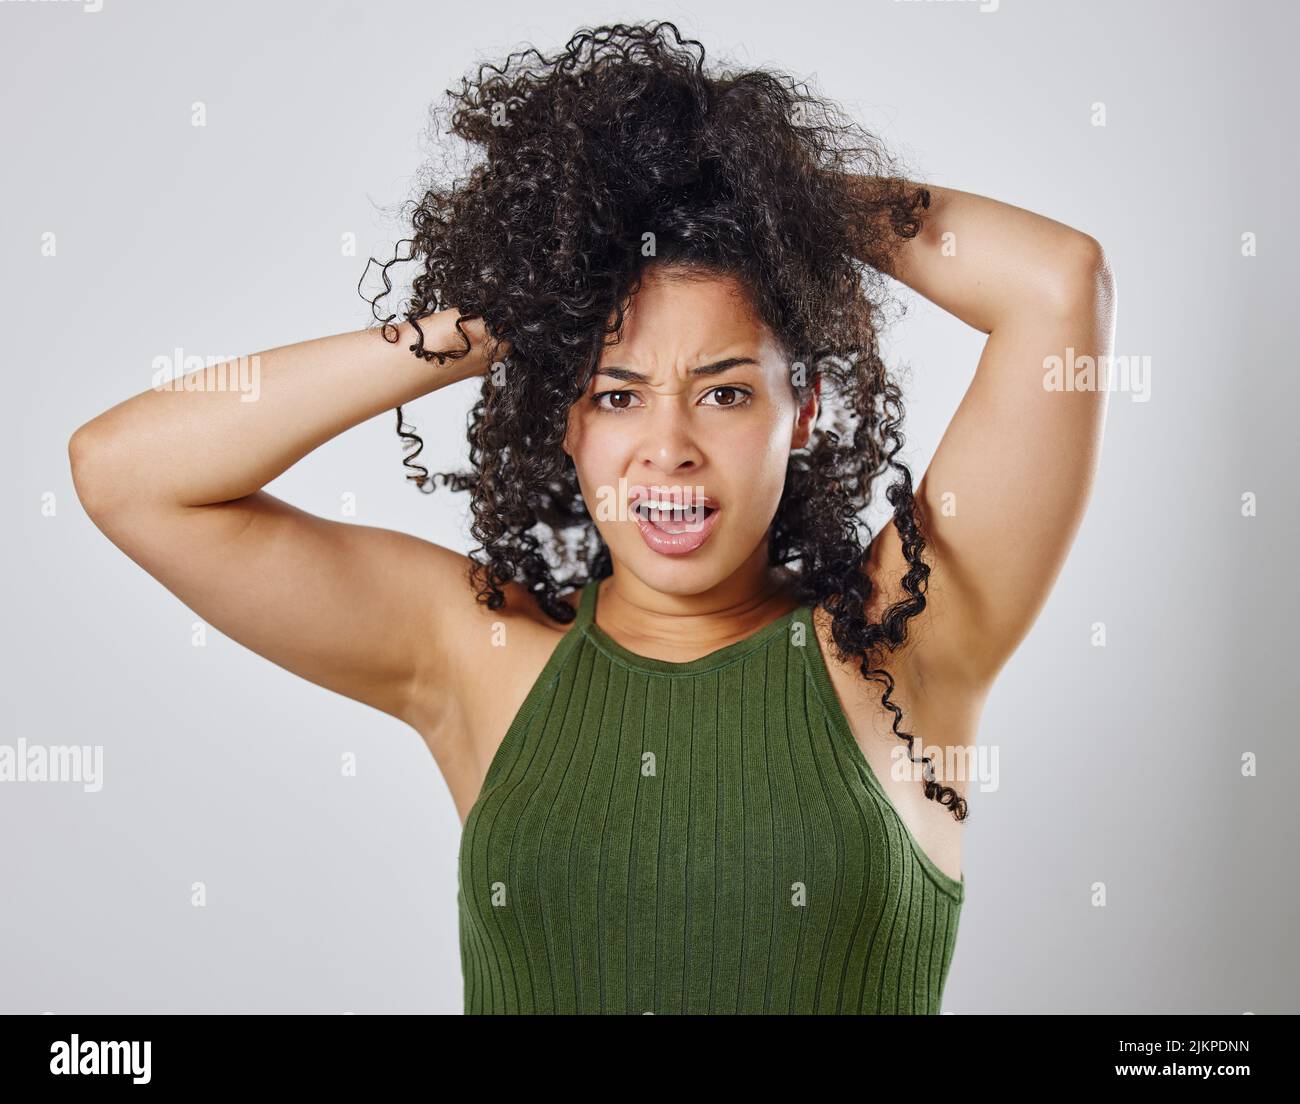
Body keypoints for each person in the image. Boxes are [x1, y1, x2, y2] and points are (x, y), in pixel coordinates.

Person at [67, 21, 1114, 1014]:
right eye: (615, 393)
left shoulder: (906, 648)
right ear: (560, 420)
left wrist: (758, 201)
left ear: (803, 415)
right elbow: (124, 471)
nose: (668, 443)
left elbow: (1056, 284)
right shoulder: (473, 658)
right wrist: (514, 306)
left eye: (725, 390)